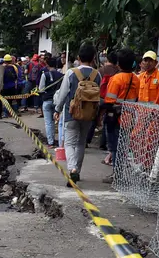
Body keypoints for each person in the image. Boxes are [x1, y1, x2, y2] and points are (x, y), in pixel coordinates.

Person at [52, 43, 101, 182]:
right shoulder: (97, 75)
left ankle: (72, 168)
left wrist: (57, 109)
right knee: (81, 143)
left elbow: (63, 94)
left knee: (69, 143)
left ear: (78, 57)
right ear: (93, 58)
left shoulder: (71, 73)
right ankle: (77, 171)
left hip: (71, 113)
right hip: (88, 115)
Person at [101, 49, 140, 177]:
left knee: (115, 147)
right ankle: (119, 174)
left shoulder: (116, 79)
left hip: (115, 118)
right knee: (123, 147)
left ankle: (116, 175)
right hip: (129, 117)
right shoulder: (136, 79)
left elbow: (109, 101)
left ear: (118, 63)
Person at [94, 50, 119, 151]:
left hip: (99, 97)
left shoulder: (101, 70)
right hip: (110, 99)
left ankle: (86, 139)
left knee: (94, 118)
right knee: (107, 120)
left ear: (107, 59)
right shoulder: (118, 71)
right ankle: (104, 143)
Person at [38, 57, 65, 147]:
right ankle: (61, 144)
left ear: (47, 65)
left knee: (49, 122)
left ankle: (51, 142)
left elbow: (41, 89)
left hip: (47, 100)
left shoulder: (45, 75)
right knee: (60, 123)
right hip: (58, 101)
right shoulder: (62, 76)